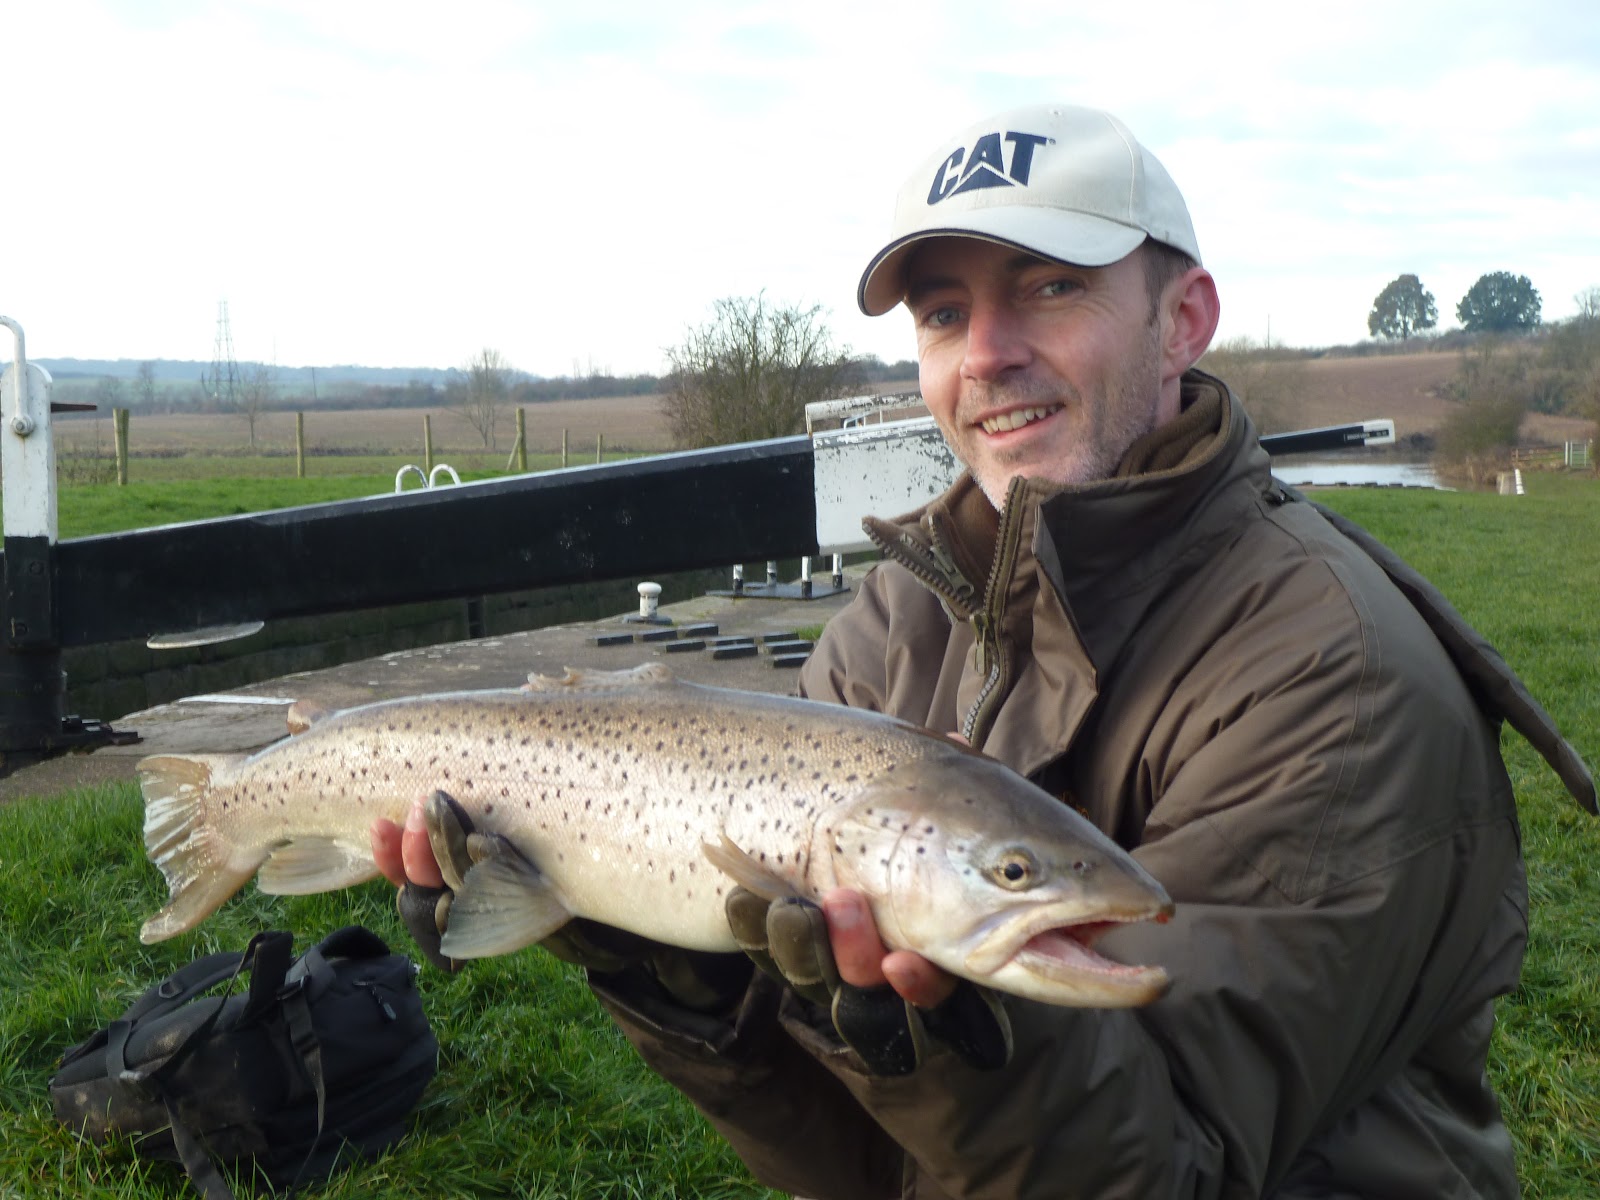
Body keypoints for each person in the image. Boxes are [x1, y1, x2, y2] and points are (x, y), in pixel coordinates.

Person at [372, 103, 1596, 1198]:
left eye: (1050, 287)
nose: (987, 354)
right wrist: (640, 947)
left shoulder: (1335, 676)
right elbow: (864, 1164)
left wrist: (957, 1037)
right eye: (944, 314)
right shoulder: (894, 622)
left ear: (1183, 320)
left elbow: (1168, 1172)